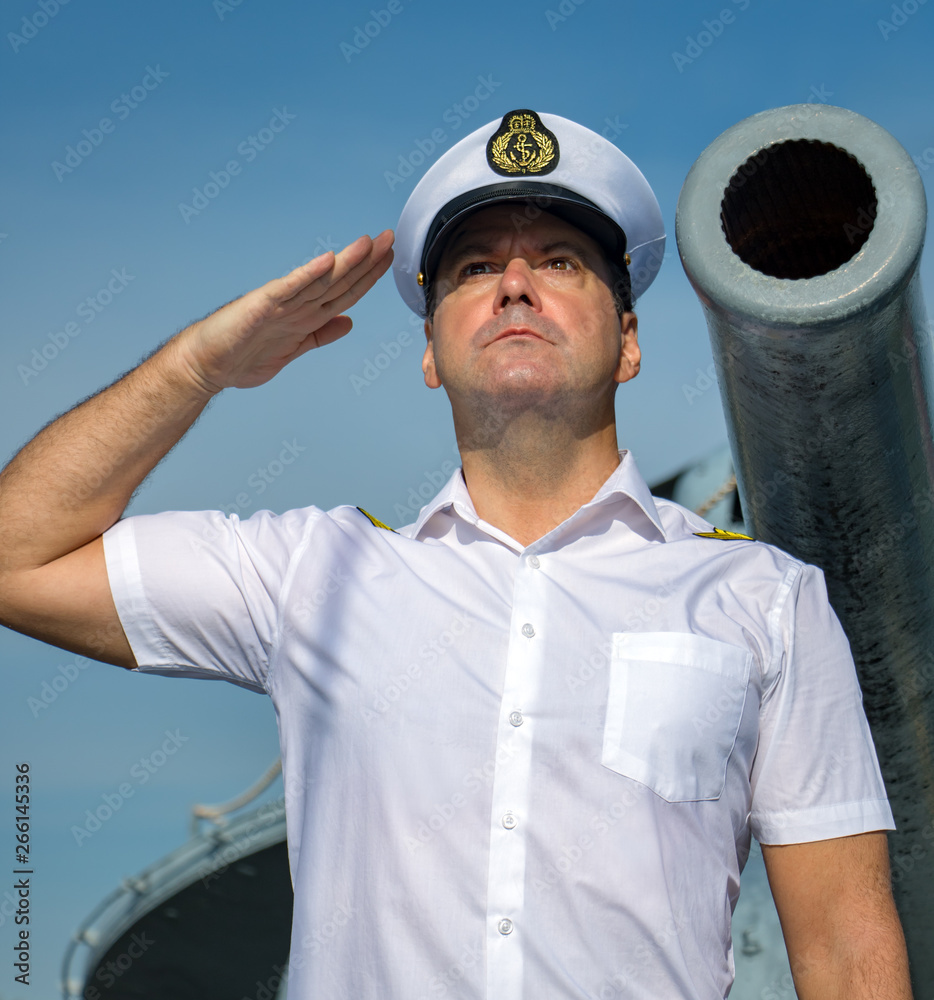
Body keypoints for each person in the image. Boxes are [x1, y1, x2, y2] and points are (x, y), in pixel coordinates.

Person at [0, 109, 913, 999]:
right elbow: (16, 560)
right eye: (477, 269)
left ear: (629, 341)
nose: (516, 285)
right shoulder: (312, 578)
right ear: (431, 352)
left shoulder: (764, 599)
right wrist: (199, 367)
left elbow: (842, 944)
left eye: (559, 262)